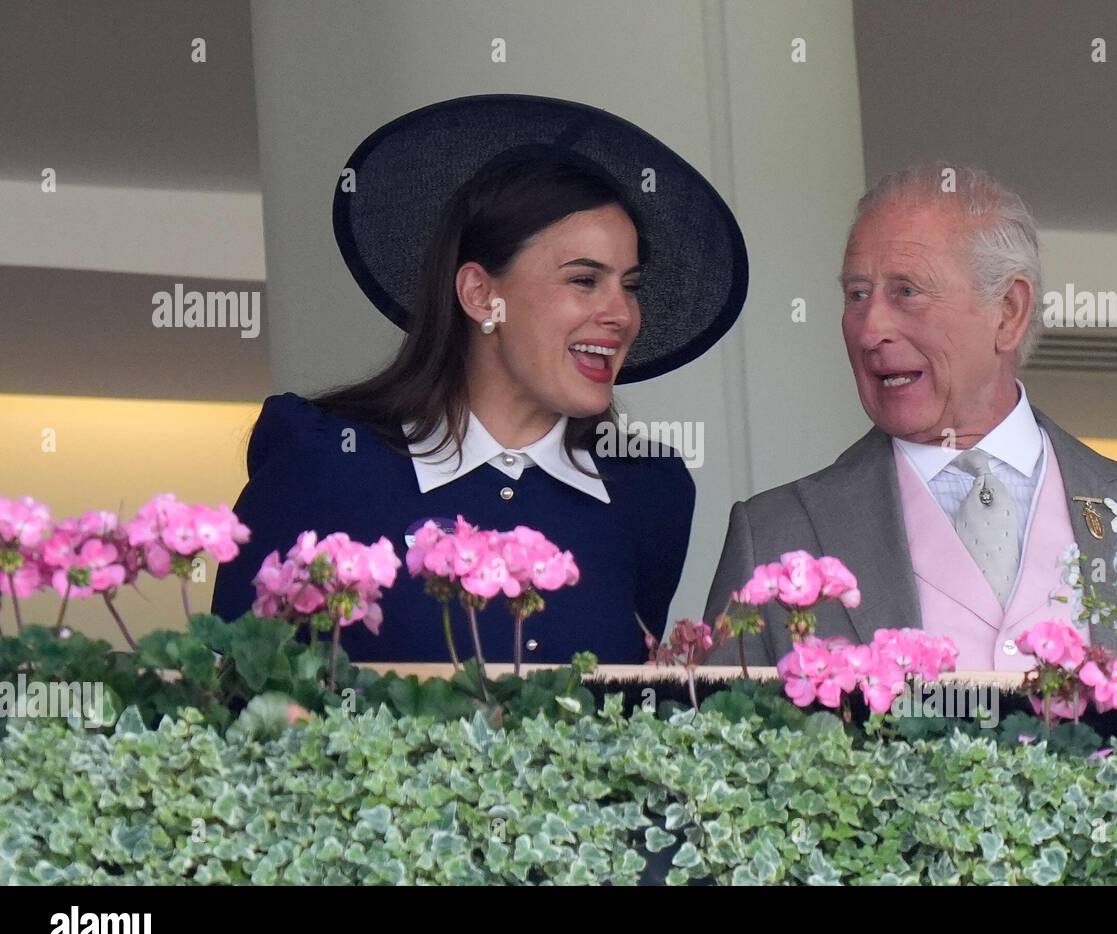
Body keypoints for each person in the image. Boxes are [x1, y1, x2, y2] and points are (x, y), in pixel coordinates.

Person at [212, 95, 748, 664]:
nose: (622, 314)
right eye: (585, 280)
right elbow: (231, 700)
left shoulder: (648, 492)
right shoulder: (322, 465)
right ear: (479, 294)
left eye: (630, 285)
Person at [705, 162, 1117, 673]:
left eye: (906, 292)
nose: (869, 329)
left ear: (1008, 311)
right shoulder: (773, 535)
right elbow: (721, 742)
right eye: (857, 295)